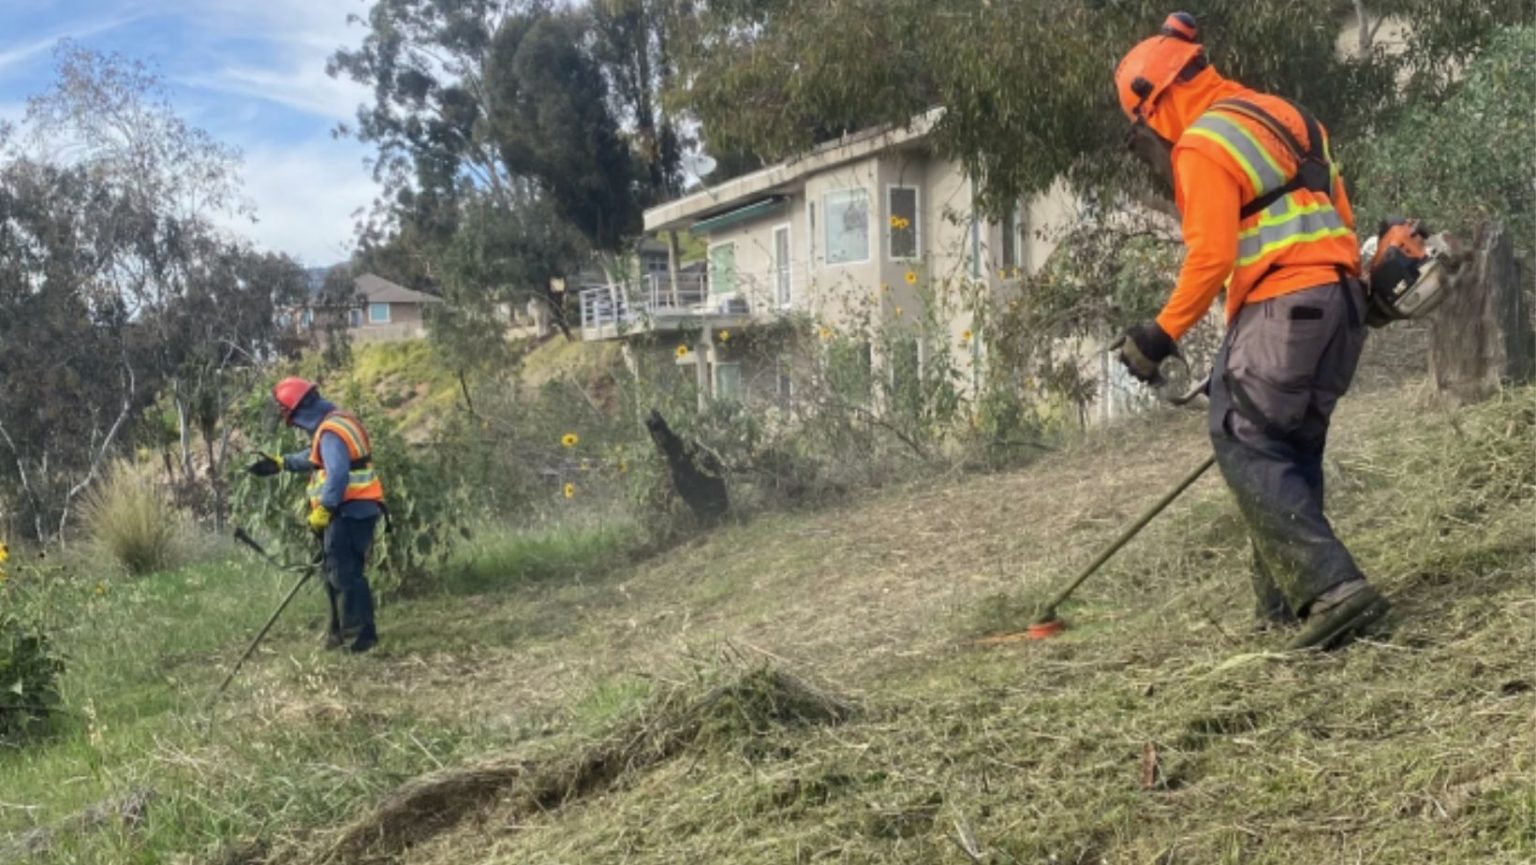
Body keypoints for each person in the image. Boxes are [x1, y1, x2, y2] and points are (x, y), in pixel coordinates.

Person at [1112, 12, 1389, 650]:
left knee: (1242, 435)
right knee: (1286, 448)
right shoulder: (1287, 117)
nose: (1151, 135)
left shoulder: (1202, 142)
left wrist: (1158, 336)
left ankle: (1332, 591)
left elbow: (1210, 254)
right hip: (1341, 302)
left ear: (1157, 101)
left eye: (1145, 123)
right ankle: (1285, 609)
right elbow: (1340, 214)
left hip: (1285, 303)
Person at [248, 377, 384, 653]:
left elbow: (338, 473)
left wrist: (325, 508)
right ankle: (341, 631)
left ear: (300, 410)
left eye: (291, 417)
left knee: (345, 573)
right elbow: (314, 456)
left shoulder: (331, 431)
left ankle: (361, 637)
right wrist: (281, 463)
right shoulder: (336, 422)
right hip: (355, 510)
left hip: (349, 510)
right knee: (336, 571)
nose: (293, 423)